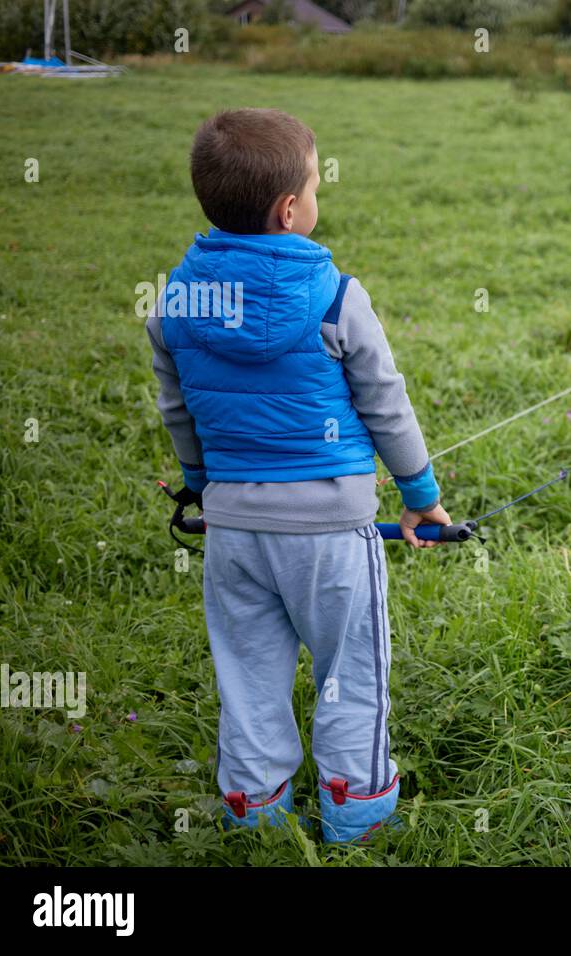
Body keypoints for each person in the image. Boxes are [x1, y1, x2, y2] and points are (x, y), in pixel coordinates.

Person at [146, 108, 453, 844]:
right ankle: (357, 817)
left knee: (247, 678)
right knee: (350, 671)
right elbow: (387, 405)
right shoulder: (337, 296)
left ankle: (254, 819)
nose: (317, 197)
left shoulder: (175, 304)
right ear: (291, 209)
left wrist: (199, 483)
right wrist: (421, 497)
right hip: (331, 536)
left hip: (234, 531)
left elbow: (177, 408)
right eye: (315, 185)